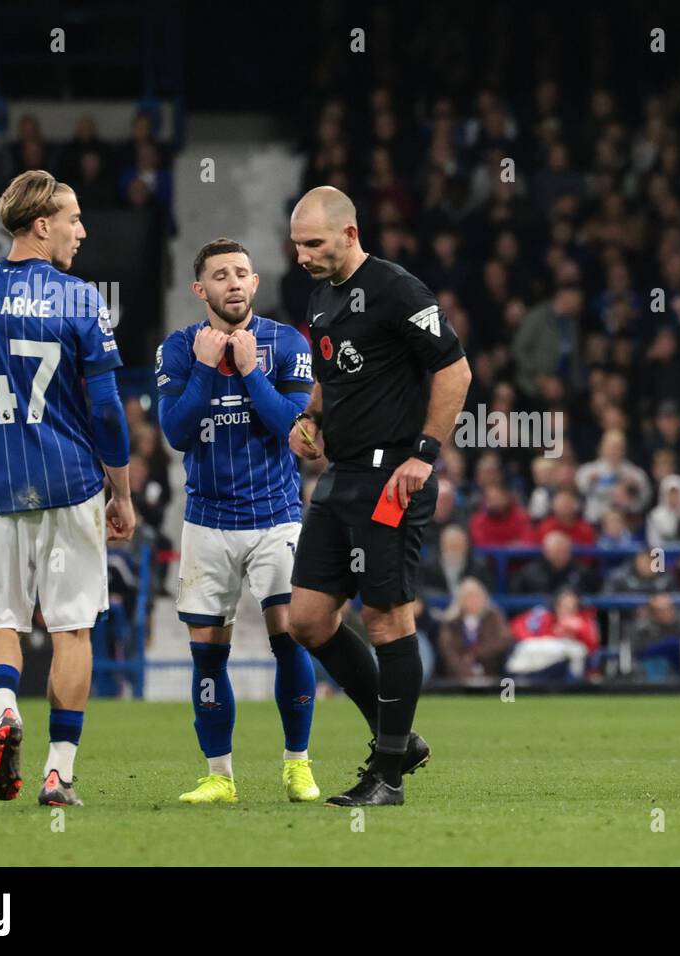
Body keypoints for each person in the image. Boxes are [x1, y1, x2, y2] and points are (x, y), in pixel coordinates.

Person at [0, 169, 136, 807]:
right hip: (70, 481)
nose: (82, 230)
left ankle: (4, 714)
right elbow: (106, 411)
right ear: (41, 225)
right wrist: (123, 491)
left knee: (0, 621)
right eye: (73, 219)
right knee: (72, 629)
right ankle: (58, 774)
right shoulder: (80, 300)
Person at [286, 186, 471, 806]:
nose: (304, 255)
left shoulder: (398, 289)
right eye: (297, 245)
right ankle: (400, 739)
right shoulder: (320, 301)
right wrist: (310, 417)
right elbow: (331, 376)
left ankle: (387, 776)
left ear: (349, 234)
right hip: (340, 476)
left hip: (393, 477)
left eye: (314, 243)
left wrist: (424, 455)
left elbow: (455, 370)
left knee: (387, 618)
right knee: (307, 619)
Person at [156, 238, 320, 805]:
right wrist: (206, 369)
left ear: (254, 284)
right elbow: (176, 433)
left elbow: (297, 434)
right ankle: (219, 775)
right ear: (200, 289)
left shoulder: (286, 343)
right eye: (219, 275)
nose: (232, 282)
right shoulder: (179, 350)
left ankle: (297, 765)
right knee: (207, 654)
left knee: (290, 640)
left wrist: (250, 373)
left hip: (276, 516)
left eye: (241, 273)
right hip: (207, 519)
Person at [437, 577, 512, 678]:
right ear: (460, 600)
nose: (474, 601)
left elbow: (504, 639)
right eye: (469, 597)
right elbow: (448, 652)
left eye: (477, 596)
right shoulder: (451, 622)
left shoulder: (494, 617)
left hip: (492, 673)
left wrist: (476, 653)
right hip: (458, 678)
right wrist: (466, 671)